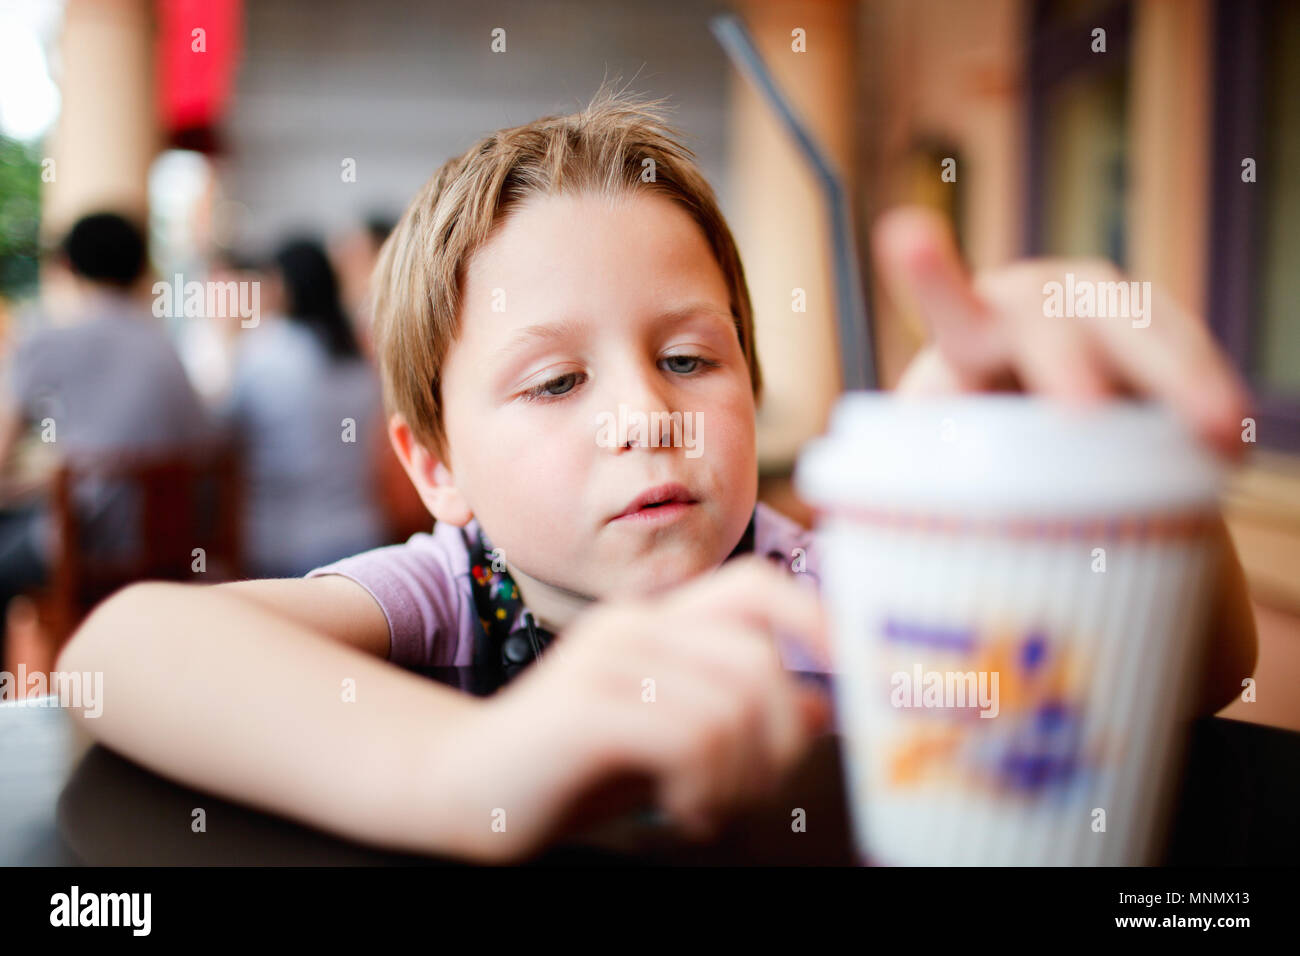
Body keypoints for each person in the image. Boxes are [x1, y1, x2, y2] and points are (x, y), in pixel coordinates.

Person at [58, 89, 1258, 864]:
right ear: (435, 466)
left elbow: (1204, 666)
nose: (647, 415)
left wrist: (1103, 453)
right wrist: (471, 765)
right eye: (556, 382)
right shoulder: (450, 595)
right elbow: (125, 651)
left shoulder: (834, 589)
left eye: (689, 357)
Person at [0, 212, 210, 655]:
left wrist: (39, 480)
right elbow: (200, 444)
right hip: (168, 547)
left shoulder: (50, 341)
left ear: (67, 267)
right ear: (140, 268)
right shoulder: (167, 348)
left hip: (83, 546)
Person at [222, 239, 385, 578]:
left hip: (279, 543)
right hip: (362, 538)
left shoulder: (263, 350)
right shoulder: (357, 355)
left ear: (281, 286)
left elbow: (224, 433)